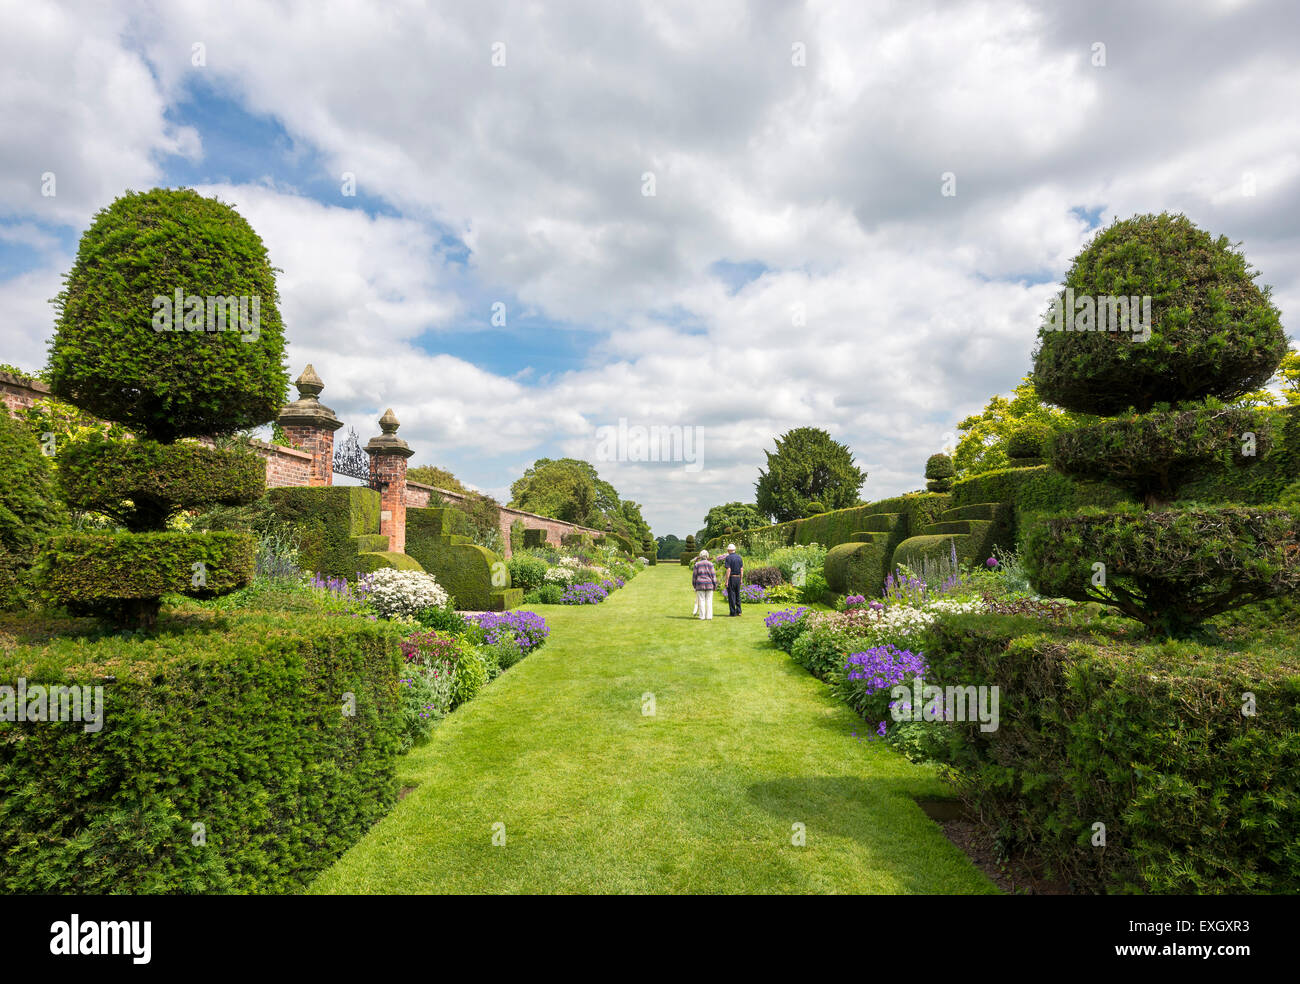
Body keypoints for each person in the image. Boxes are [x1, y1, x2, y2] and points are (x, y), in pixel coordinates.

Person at [691, 549, 718, 620]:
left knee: (701, 600)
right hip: (709, 584)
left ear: (700, 556)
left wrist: (694, 585)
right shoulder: (710, 564)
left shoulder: (697, 564)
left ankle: (702, 616)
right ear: (707, 556)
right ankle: (709, 616)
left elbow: (694, 576)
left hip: (700, 584)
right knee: (709, 600)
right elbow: (713, 576)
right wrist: (715, 585)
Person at [723, 543, 743, 616]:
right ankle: (739, 611)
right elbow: (741, 569)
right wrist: (741, 579)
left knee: (731, 595)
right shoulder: (739, 557)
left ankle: (732, 612)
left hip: (732, 578)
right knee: (738, 595)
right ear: (734, 550)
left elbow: (728, 569)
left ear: (728, 550)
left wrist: (726, 581)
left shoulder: (728, 558)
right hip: (738, 578)